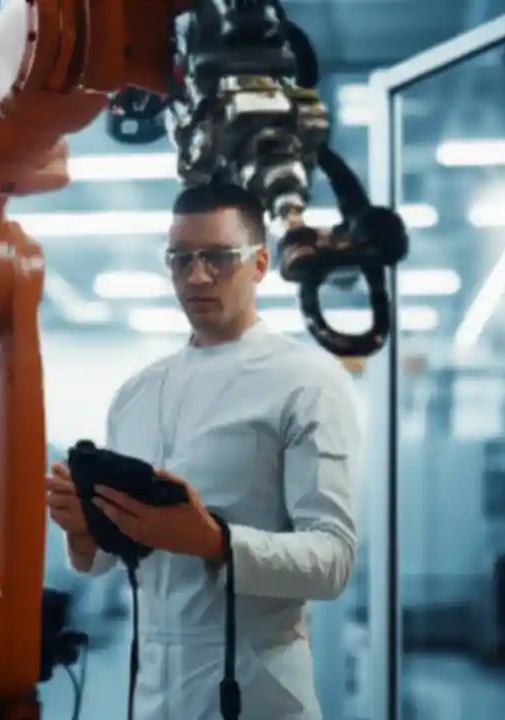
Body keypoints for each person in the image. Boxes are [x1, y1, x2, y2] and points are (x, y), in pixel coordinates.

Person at [45, 182, 360, 720]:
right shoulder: (137, 394)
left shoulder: (307, 382)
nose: (196, 276)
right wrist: (83, 530)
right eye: (180, 259)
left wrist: (215, 542)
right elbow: (103, 561)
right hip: (153, 694)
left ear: (259, 264)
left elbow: (333, 560)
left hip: (258, 692)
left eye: (218, 257)